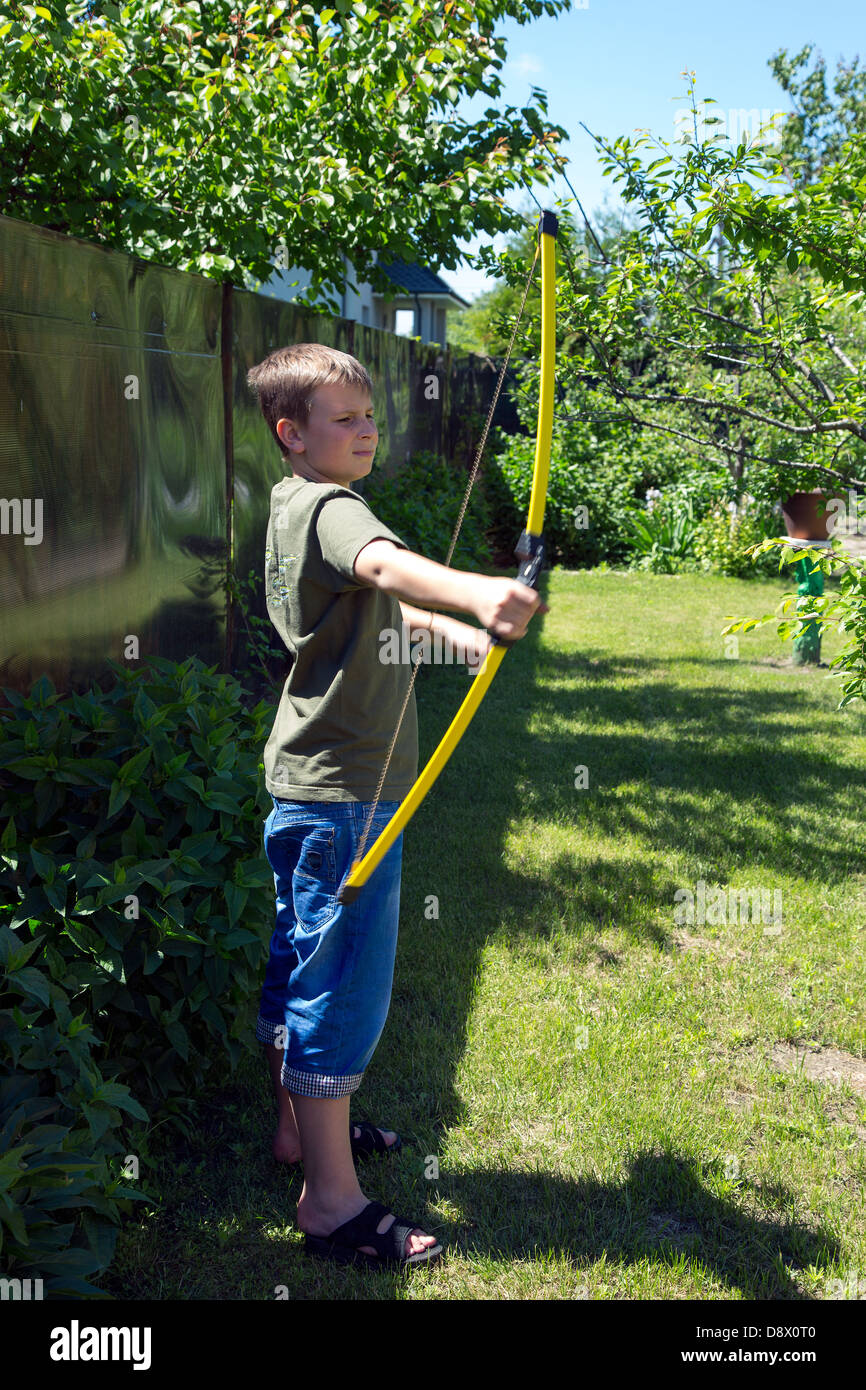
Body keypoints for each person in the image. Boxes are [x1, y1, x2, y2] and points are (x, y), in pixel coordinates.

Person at [246, 342, 546, 1271]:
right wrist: (478, 588)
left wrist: (464, 636)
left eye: (371, 414)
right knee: (339, 987)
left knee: (299, 960)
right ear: (293, 435)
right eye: (346, 419)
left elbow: (382, 615)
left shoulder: (294, 506)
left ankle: (301, 1137)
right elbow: (383, 568)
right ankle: (331, 1202)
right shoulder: (336, 510)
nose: (367, 428)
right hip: (344, 801)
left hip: (310, 788)